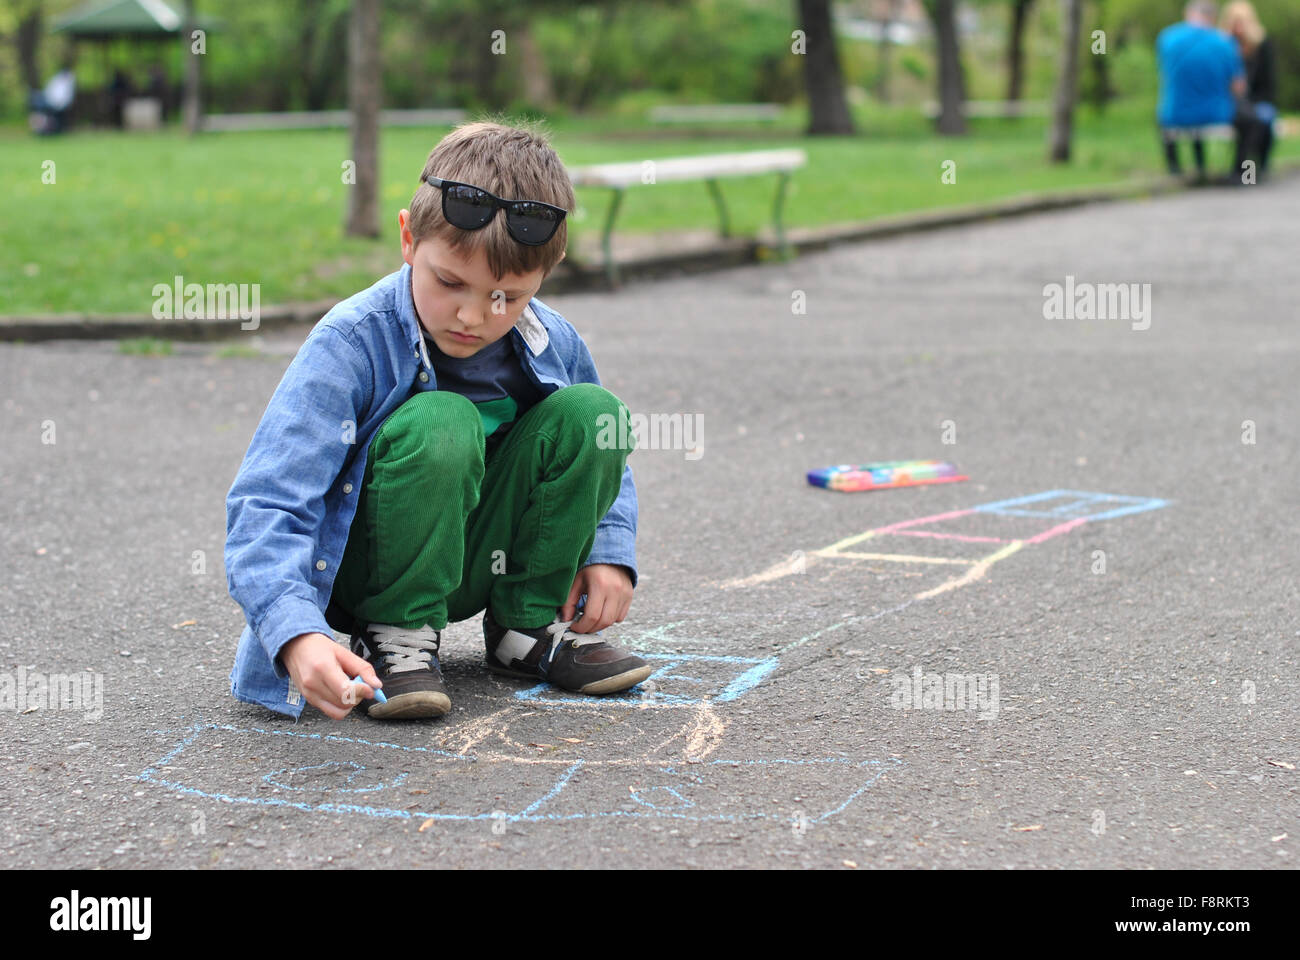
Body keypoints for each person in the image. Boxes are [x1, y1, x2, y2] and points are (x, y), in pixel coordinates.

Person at [225, 121, 649, 722]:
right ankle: (394, 632)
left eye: (507, 296)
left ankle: (524, 631)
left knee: (594, 414)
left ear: (541, 279)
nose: (472, 315)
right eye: (449, 282)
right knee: (444, 421)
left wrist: (608, 550)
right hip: (371, 570)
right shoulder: (351, 341)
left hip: (474, 555)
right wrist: (294, 633)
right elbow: (268, 499)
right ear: (407, 238)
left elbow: (603, 456)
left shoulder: (554, 340)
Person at [1155, 0, 1246, 180]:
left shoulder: (1166, 38)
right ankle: (1237, 172)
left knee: (1163, 112)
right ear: (1212, 17)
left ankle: (1175, 168)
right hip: (1217, 114)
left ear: (1188, 13)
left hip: (1175, 115)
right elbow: (1238, 86)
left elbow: (1163, 73)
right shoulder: (1225, 41)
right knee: (1251, 120)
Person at [1221, 0, 1276, 180]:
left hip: (1258, 99)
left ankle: (1257, 167)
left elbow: (1269, 82)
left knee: (1263, 120)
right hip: (1233, 101)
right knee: (1250, 123)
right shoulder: (1225, 46)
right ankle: (1247, 173)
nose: (1238, 28)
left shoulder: (1262, 45)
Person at [28, 62, 76, 135]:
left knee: (37, 105)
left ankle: (42, 128)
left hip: (55, 104)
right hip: (53, 102)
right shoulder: (61, 81)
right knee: (38, 107)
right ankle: (41, 128)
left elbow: (60, 97)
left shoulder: (64, 82)